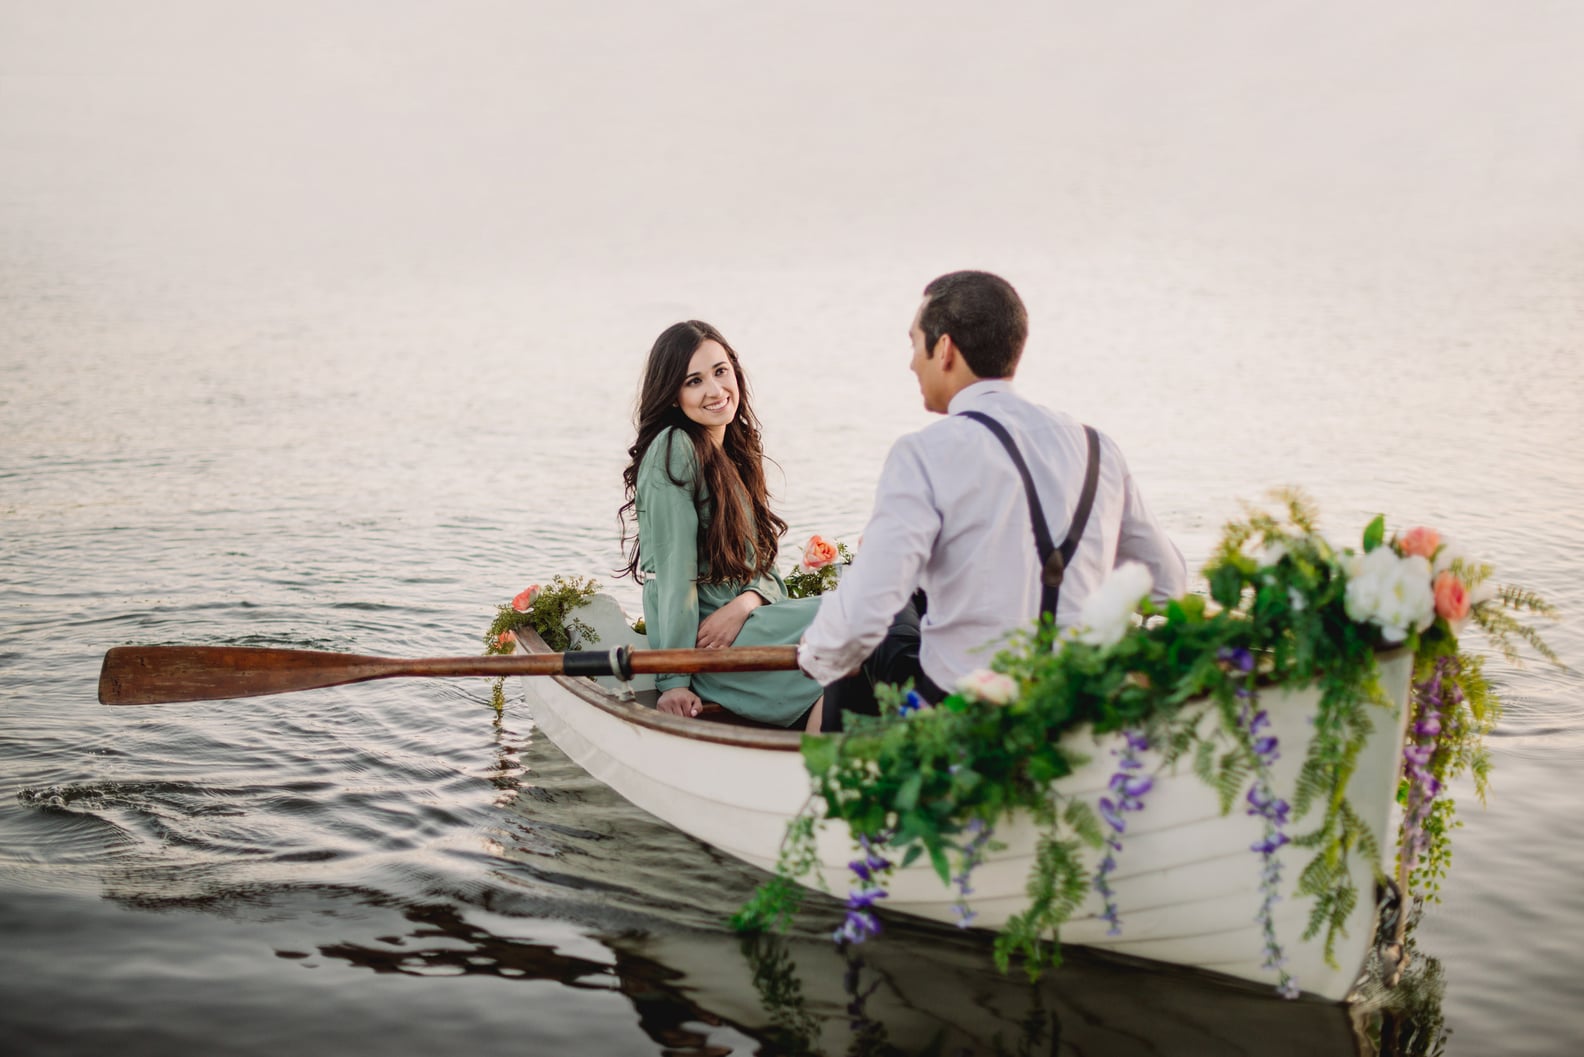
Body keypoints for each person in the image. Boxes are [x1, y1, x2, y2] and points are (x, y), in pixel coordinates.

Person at [798, 271, 1187, 730]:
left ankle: (833, 785)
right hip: (1077, 707)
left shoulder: (923, 453)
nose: (910, 364)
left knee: (864, 623)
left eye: (913, 343)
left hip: (965, 719)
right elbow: (1167, 585)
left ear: (943, 350)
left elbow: (864, 612)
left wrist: (815, 656)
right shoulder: (1098, 447)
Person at [618, 320, 826, 730]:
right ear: (674, 396)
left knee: (870, 619)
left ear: (735, 371)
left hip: (749, 620)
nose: (715, 391)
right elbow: (674, 574)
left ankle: (830, 774)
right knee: (861, 614)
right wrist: (674, 678)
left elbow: (764, 565)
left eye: (720, 371)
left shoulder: (733, 450)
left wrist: (745, 603)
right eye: (694, 381)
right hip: (708, 645)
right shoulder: (674, 450)